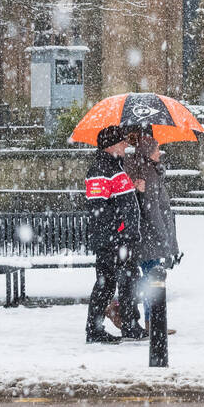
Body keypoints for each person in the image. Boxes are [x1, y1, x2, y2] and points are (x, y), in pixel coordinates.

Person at [84, 125, 145, 343]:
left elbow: (122, 201)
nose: (125, 146)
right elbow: (100, 210)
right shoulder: (101, 169)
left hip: (122, 239)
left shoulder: (115, 167)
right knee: (106, 283)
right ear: (111, 146)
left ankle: (130, 324)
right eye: (122, 143)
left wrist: (134, 190)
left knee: (129, 280)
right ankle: (94, 329)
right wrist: (119, 229)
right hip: (112, 240)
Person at [124, 133, 180, 332]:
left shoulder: (147, 170)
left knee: (149, 278)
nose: (160, 152)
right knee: (153, 280)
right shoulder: (149, 173)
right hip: (150, 238)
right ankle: (153, 323)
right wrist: (163, 236)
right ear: (149, 152)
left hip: (147, 236)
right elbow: (152, 209)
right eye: (157, 149)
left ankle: (148, 320)